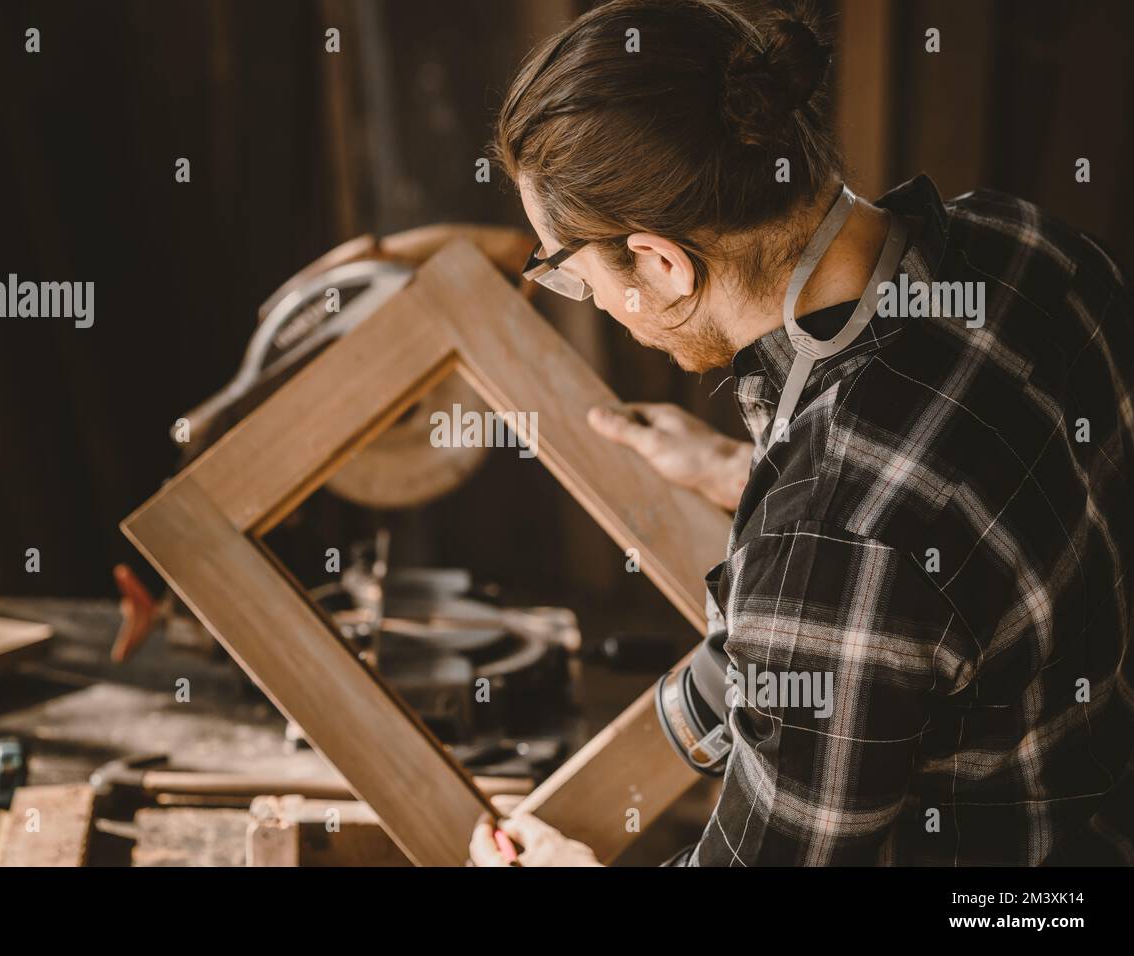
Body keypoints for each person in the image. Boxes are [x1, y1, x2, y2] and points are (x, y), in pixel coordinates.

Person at [469, 0, 1134, 866]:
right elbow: (961, 510)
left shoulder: (834, 542)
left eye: (572, 272)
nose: (585, 298)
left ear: (663, 265)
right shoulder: (1026, 243)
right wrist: (735, 472)